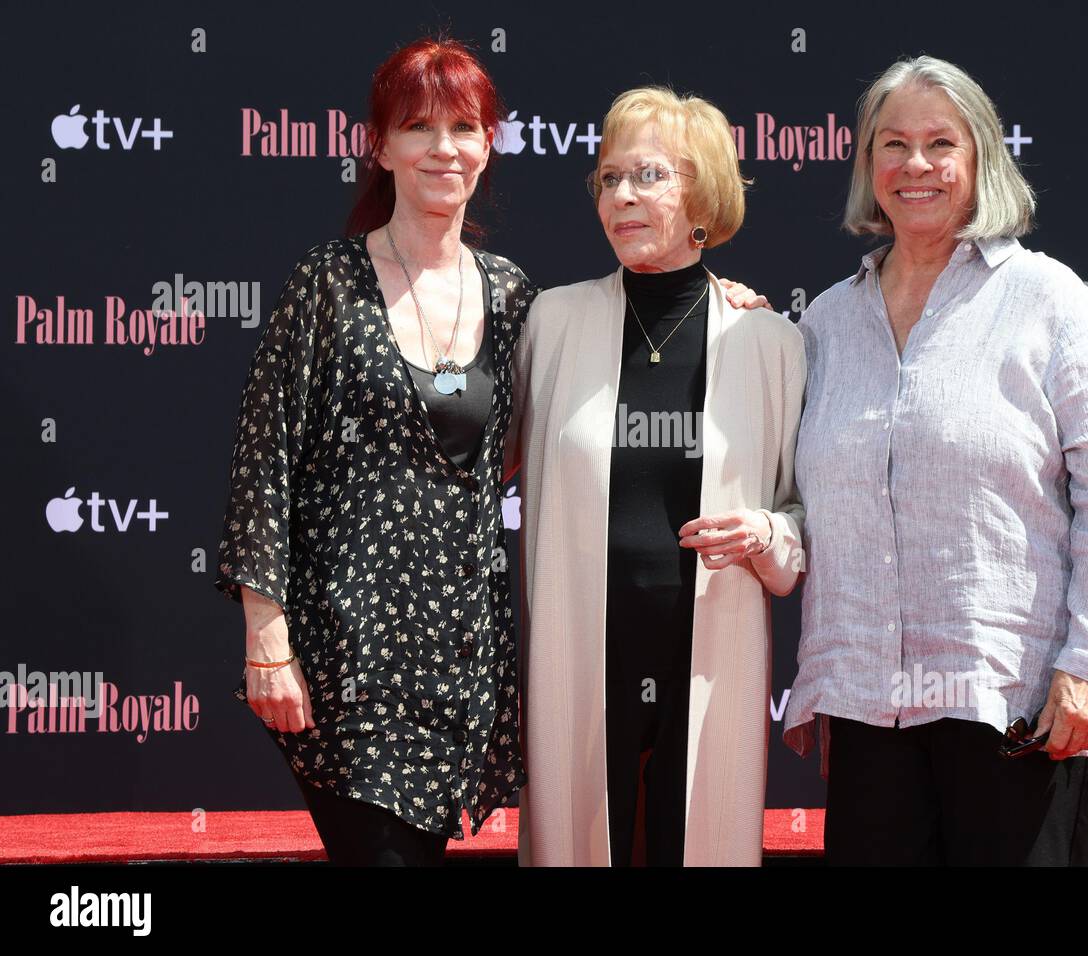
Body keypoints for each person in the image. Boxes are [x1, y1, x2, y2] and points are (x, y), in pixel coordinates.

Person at [783, 55, 1088, 866]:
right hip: (867, 708)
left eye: (940, 143)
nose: (915, 166)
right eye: (893, 144)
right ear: (866, 163)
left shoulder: (1050, 303)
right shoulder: (826, 324)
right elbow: (802, 501)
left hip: (1014, 707)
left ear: (981, 157)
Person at [214, 37, 536, 865]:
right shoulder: (327, 282)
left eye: (464, 126)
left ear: (488, 144)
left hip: (461, 656)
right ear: (380, 146)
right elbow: (262, 465)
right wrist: (266, 640)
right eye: (418, 126)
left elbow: (534, 439)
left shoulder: (511, 294)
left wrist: (715, 297)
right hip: (344, 657)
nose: (443, 147)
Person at [510, 86, 807, 867]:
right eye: (608, 179)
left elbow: (804, 514)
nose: (621, 197)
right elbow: (485, 462)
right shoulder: (552, 321)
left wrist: (768, 533)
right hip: (580, 651)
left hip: (711, 651)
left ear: (702, 193)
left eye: (647, 176)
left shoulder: (768, 341)